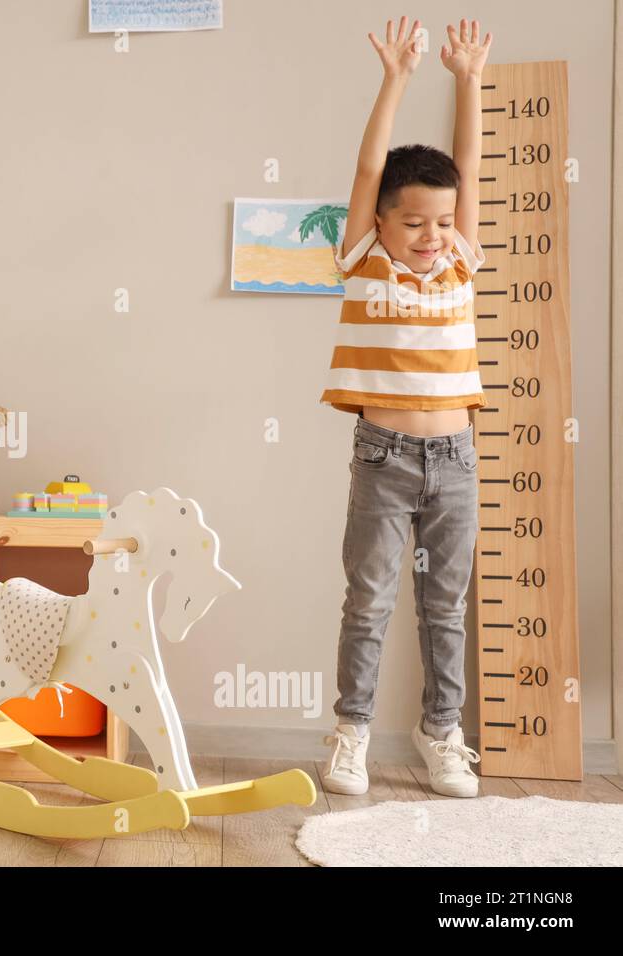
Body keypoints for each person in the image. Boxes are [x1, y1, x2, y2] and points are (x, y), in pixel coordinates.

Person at [318, 16, 493, 798]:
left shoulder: (459, 260)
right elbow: (365, 167)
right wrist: (398, 78)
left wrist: (468, 81)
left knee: (445, 608)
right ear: (383, 221)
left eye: (442, 222)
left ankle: (442, 734)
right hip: (383, 458)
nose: (431, 235)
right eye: (414, 221)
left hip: (456, 460)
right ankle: (351, 732)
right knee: (370, 601)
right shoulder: (363, 261)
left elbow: (472, 171)